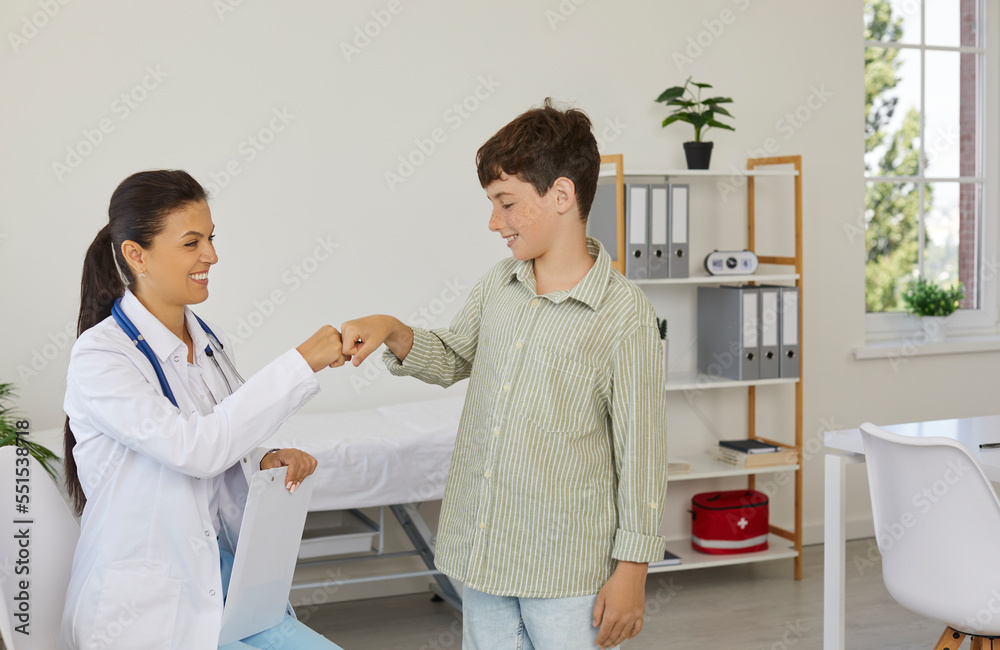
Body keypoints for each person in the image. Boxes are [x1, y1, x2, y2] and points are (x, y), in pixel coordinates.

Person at [341, 100, 668, 649]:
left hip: (567, 570)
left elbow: (641, 451)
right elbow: (451, 356)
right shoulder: (500, 284)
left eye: (506, 203)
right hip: (486, 552)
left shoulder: (624, 312)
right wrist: (395, 330)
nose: (494, 221)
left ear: (562, 195)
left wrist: (632, 569)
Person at [60, 170, 347, 650]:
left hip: (225, 580)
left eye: (210, 239)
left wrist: (263, 459)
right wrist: (299, 364)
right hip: (148, 609)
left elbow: (220, 445)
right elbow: (194, 448)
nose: (211, 255)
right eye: (192, 243)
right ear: (137, 255)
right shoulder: (101, 357)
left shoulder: (210, 343)